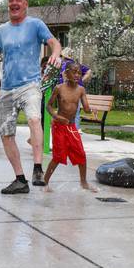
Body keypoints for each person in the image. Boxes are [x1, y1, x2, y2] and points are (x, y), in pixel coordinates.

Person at [0, 0, 62, 194]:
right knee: (6, 134)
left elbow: (55, 43)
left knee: (34, 119)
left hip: (30, 85)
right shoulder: (1, 31)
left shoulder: (35, 25)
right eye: (11, 0)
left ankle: (37, 168)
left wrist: (55, 53)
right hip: (7, 90)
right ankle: (20, 179)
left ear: (26, 5)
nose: (14, 2)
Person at [43, 63, 96, 192]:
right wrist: (56, 116)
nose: (77, 75)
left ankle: (83, 182)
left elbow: (86, 107)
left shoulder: (81, 90)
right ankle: (45, 182)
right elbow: (49, 106)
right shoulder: (59, 88)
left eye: (79, 73)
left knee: (81, 154)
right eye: (74, 72)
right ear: (66, 74)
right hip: (60, 126)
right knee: (58, 156)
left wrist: (91, 110)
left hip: (71, 127)